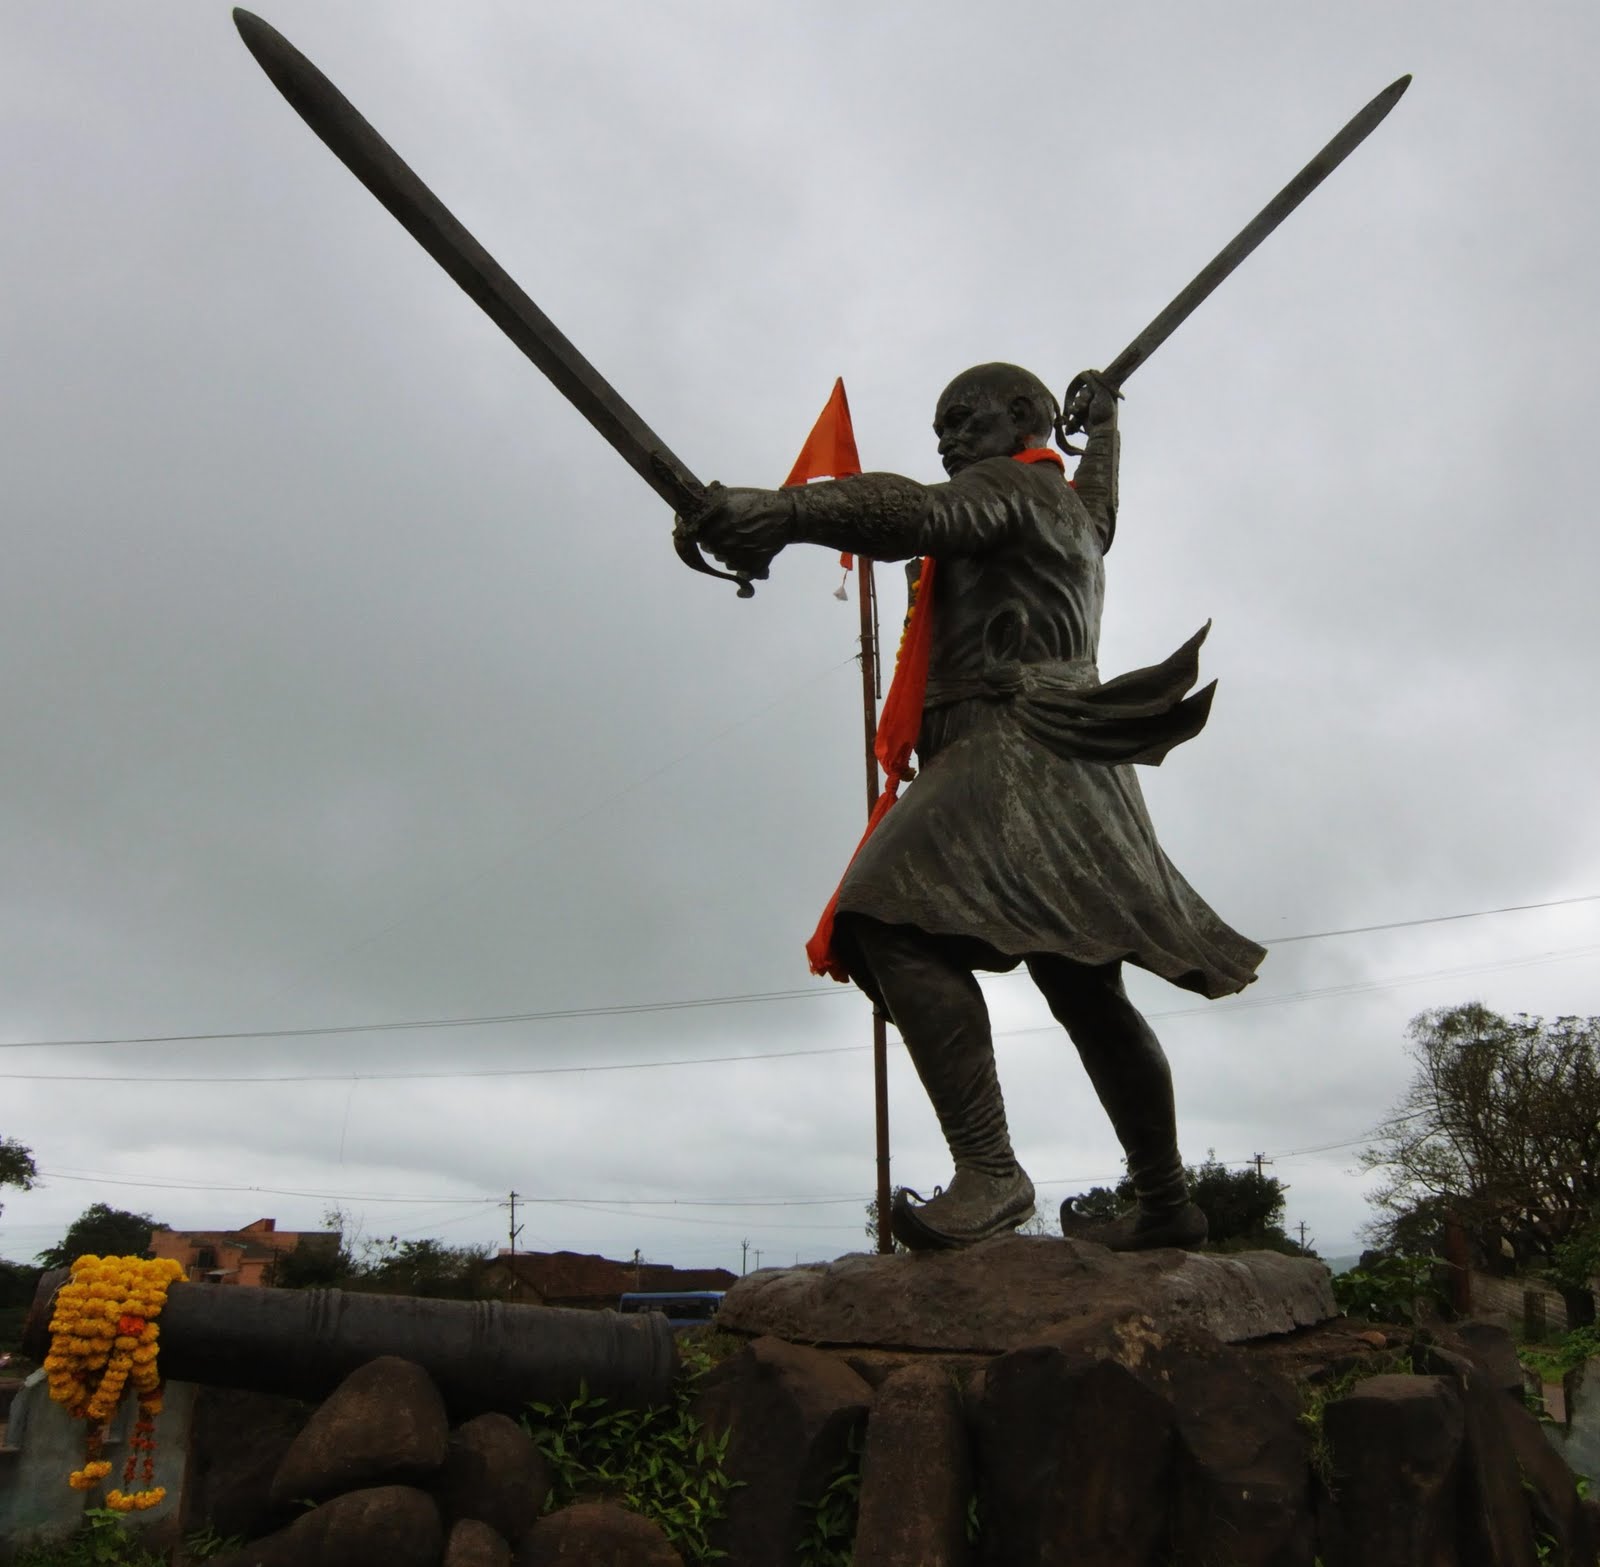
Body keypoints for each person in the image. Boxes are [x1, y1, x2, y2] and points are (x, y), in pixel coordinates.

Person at [686, 363, 1265, 1251]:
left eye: (965, 419)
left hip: (1010, 742)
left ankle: (991, 1169)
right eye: (941, 429)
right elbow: (1103, 510)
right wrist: (1107, 427)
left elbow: (912, 514)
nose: (949, 440)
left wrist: (786, 511)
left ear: (1024, 419)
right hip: (1063, 755)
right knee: (1085, 984)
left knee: (884, 916)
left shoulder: (1009, 490)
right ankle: (1165, 1202)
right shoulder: (1062, 504)